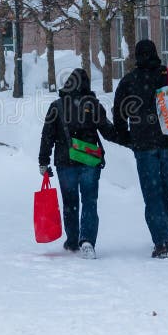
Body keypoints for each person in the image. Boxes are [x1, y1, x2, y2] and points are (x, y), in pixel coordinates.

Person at [113, 40, 168, 259]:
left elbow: (119, 114)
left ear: (136, 56)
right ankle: (163, 232)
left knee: (152, 194)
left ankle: (161, 240)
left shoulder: (129, 81)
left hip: (143, 145)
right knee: (164, 190)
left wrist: (127, 138)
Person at [38, 68, 118, 259]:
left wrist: (43, 161)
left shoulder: (56, 106)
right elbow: (108, 131)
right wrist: (130, 139)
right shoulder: (93, 105)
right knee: (90, 201)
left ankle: (73, 240)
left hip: (65, 162)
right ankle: (88, 240)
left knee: (70, 202)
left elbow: (47, 136)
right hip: (89, 160)